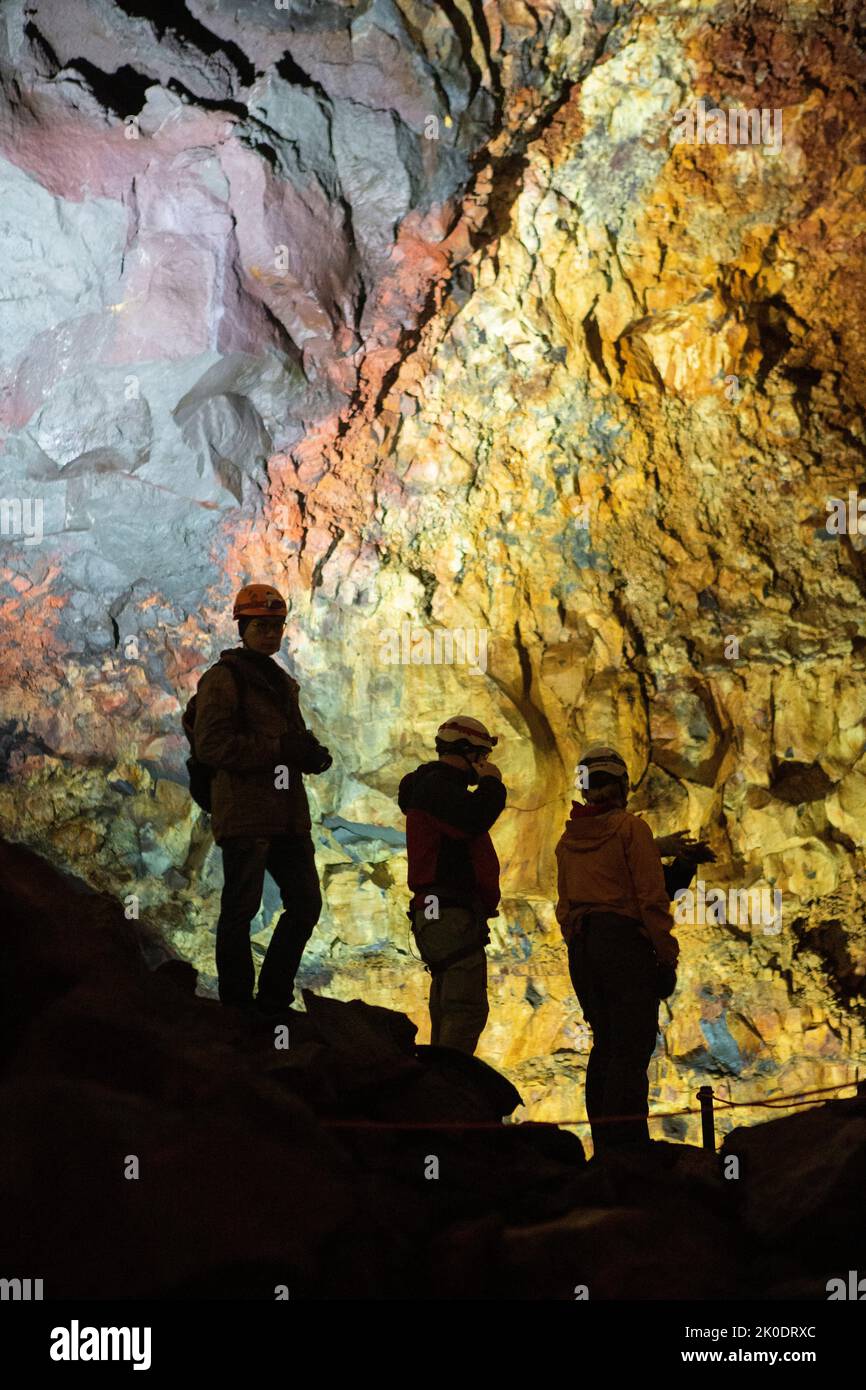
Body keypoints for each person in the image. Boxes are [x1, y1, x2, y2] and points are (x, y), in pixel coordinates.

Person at [192, 584, 332, 1018]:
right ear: (243, 628)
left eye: (276, 626)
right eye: (261, 626)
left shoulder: (279, 681)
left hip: (287, 816)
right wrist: (279, 749)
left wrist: (309, 753)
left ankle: (272, 999)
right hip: (246, 815)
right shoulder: (224, 679)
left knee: (306, 903)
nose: (271, 634)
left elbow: (289, 740)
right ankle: (238, 1007)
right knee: (241, 908)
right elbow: (212, 745)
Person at [555, 745, 682, 1154]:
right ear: (623, 786)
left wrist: (580, 942)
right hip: (623, 946)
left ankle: (607, 1148)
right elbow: (651, 898)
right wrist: (665, 955)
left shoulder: (569, 839)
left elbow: (563, 906)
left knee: (606, 1044)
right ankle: (629, 1149)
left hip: (583, 948)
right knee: (632, 1044)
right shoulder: (631, 829)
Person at [397, 716, 506, 1054]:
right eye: (482, 755)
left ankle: (439, 1090)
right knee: (464, 1011)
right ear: (466, 751)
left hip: (442, 915)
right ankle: (448, 1093)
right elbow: (472, 821)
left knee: (449, 1009)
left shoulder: (435, 787)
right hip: (448, 915)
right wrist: (492, 786)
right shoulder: (436, 787)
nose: (485, 763)